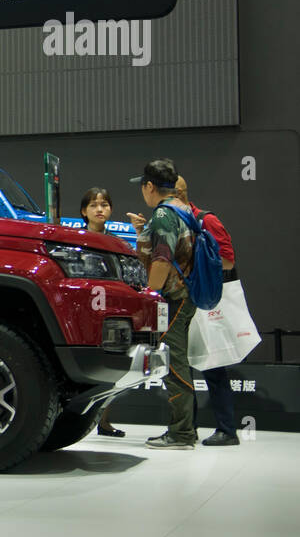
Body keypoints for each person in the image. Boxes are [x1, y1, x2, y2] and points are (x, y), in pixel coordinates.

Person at [129, 159, 198, 450]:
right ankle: (185, 430)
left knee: (176, 366)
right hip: (185, 296)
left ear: (149, 186)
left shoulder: (163, 215)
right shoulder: (182, 209)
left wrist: (148, 293)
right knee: (179, 363)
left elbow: (161, 260)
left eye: (143, 187)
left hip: (173, 298)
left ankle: (182, 433)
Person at [174, 175, 241, 447]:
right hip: (185, 303)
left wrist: (197, 263)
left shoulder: (206, 220)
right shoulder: (177, 223)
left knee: (214, 367)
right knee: (184, 366)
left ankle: (227, 429)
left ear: (178, 194)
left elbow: (227, 260)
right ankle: (188, 428)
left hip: (206, 302)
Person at [80, 187, 125, 438]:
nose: (100, 209)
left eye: (105, 204)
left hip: (111, 310)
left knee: (111, 366)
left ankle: (104, 421)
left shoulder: (116, 241)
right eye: (94, 205)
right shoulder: (75, 240)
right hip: (86, 311)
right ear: (83, 211)